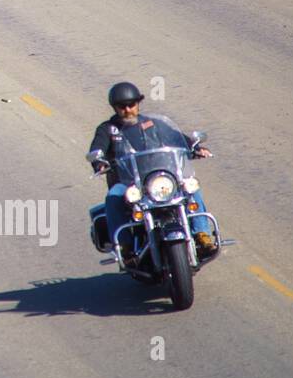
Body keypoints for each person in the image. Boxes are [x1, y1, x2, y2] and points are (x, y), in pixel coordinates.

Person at [86, 82, 216, 258]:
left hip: (158, 178)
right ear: (115, 108)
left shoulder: (152, 124)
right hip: (128, 183)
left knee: (190, 187)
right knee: (113, 197)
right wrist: (99, 162)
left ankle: (202, 234)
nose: (127, 109)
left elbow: (177, 139)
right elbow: (97, 148)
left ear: (138, 104)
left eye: (131, 105)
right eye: (122, 106)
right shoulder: (107, 129)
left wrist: (194, 147)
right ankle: (124, 246)